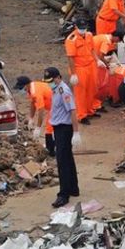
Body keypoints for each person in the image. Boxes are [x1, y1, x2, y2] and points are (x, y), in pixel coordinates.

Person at [46, 67, 80, 208]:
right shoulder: (56, 89)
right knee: (67, 159)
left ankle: (63, 194)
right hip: (58, 127)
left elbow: (72, 111)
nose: (50, 83)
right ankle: (73, 188)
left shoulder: (63, 91)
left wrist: (76, 132)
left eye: (52, 80)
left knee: (62, 162)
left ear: (58, 77)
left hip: (64, 129)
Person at [65, 21, 99, 124]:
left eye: (84, 27)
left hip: (91, 65)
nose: (83, 30)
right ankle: (81, 115)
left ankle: (90, 110)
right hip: (79, 68)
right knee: (80, 92)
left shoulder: (89, 35)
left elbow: (92, 49)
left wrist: (97, 60)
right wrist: (74, 74)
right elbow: (70, 58)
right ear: (76, 27)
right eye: (81, 28)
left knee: (92, 88)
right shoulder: (71, 39)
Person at [15, 76, 55, 156]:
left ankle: (51, 151)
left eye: (22, 88)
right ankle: (49, 149)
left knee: (50, 128)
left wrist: (38, 128)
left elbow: (41, 111)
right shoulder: (31, 89)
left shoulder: (36, 92)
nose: (21, 90)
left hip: (56, 106)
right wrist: (31, 118)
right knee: (49, 128)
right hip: (52, 106)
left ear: (26, 85)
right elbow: (33, 104)